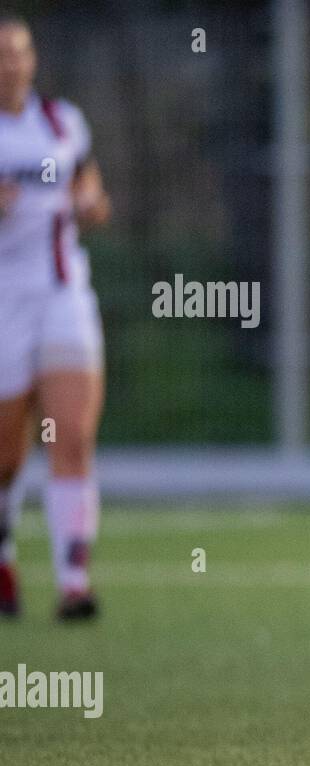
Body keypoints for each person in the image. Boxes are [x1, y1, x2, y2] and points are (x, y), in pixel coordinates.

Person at [0, 13, 111, 621]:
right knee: (8, 456)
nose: (11, 65)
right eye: (1, 55)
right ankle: (6, 557)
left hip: (62, 294)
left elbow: (94, 194)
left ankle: (74, 581)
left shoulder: (61, 120)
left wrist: (90, 204)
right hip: (3, 301)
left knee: (71, 435)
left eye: (19, 52)